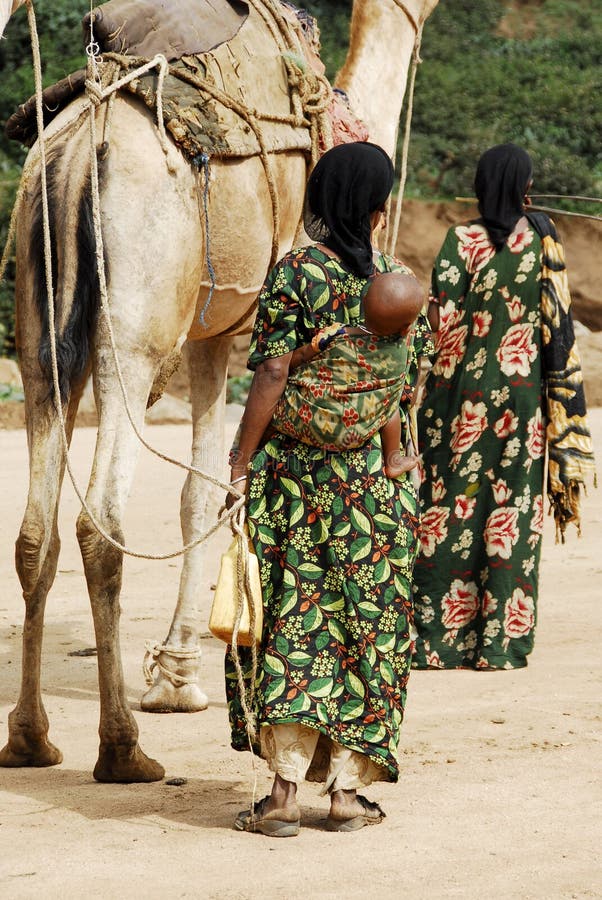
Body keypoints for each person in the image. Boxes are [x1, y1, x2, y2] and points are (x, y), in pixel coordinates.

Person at [225, 141, 431, 836]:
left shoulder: (297, 275)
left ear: (320, 199)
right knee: (363, 634)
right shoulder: (401, 282)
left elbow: (273, 375)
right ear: (377, 210)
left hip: (294, 482)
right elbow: (402, 386)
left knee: (292, 622)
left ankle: (283, 796)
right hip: (371, 490)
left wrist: (239, 460)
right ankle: (344, 795)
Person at [412, 142, 595, 671]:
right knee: (511, 514)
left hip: (458, 403)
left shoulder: (459, 240)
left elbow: (439, 325)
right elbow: (558, 325)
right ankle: (500, 645)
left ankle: (438, 642)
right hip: (522, 403)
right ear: (525, 186)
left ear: (478, 185)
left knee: (448, 512)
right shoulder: (543, 239)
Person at [270, 270, 424, 478]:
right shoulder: (402, 350)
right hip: (353, 437)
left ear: (362, 304)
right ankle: (393, 459)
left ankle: (256, 448)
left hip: (304, 423)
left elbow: (300, 357)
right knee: (391, 403)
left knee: (275, 395)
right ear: (406, 329)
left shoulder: (335, 335)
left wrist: (302, 356)